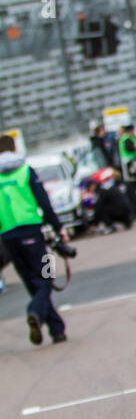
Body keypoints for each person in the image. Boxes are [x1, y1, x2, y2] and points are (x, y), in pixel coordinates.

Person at [0, 135, 69, 344]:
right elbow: (44, 201)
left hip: (7, 236)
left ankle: (55, 329)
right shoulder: (25, 170)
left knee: (31, 281)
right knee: (46, 278)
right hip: (31, 232)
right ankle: (34, 311)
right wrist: (58, 227)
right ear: (14, 148)